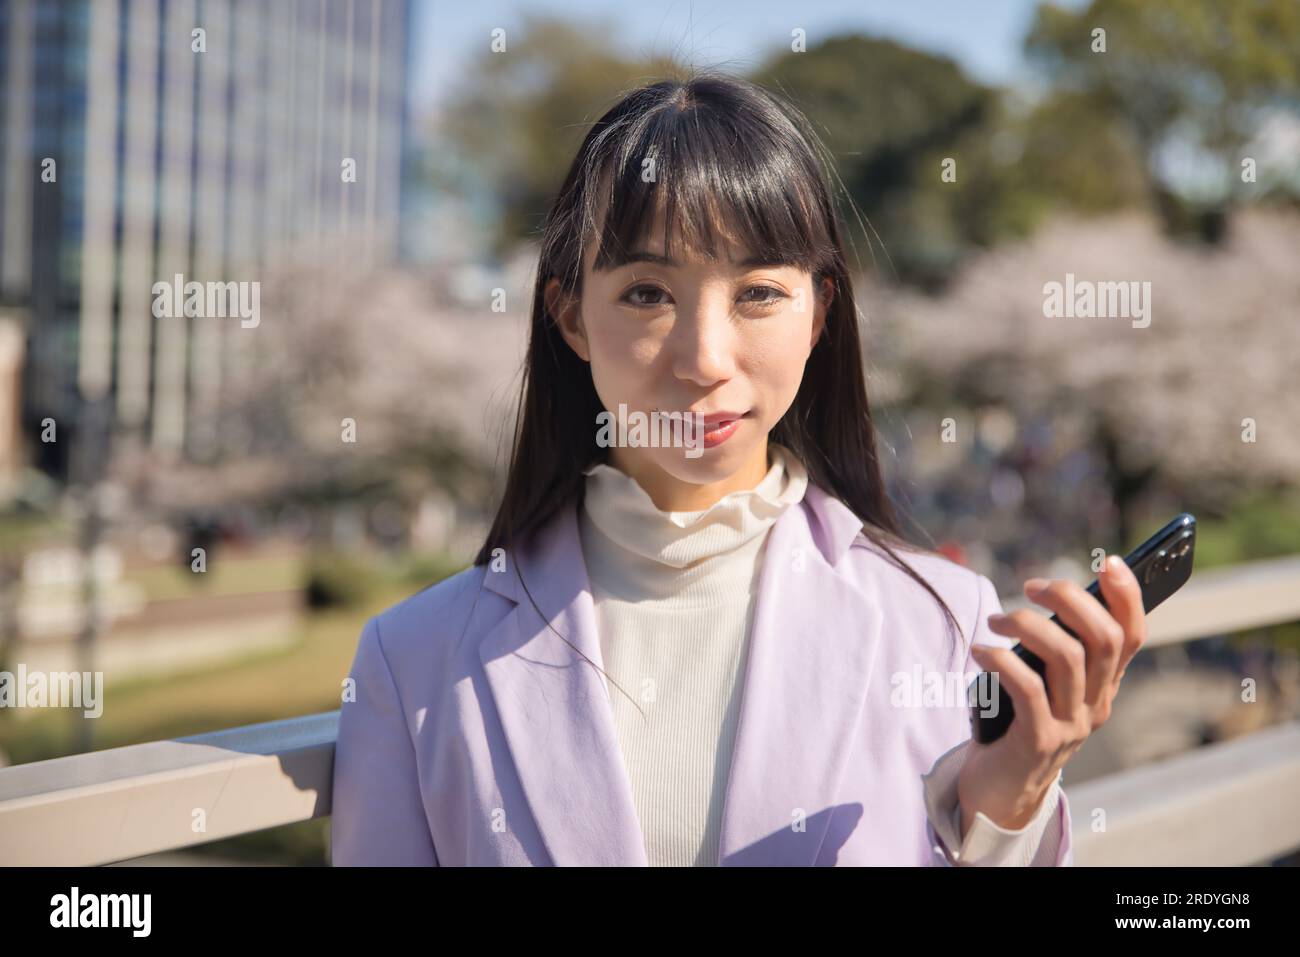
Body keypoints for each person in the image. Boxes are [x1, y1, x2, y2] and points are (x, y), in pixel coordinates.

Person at [331, 72, 1148, 866]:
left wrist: (1006, 807)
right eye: (648, 293)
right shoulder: (411, 661)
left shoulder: (944, 619)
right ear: (570, 315)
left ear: (821, 310)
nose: (704, 359)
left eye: (758, 292)